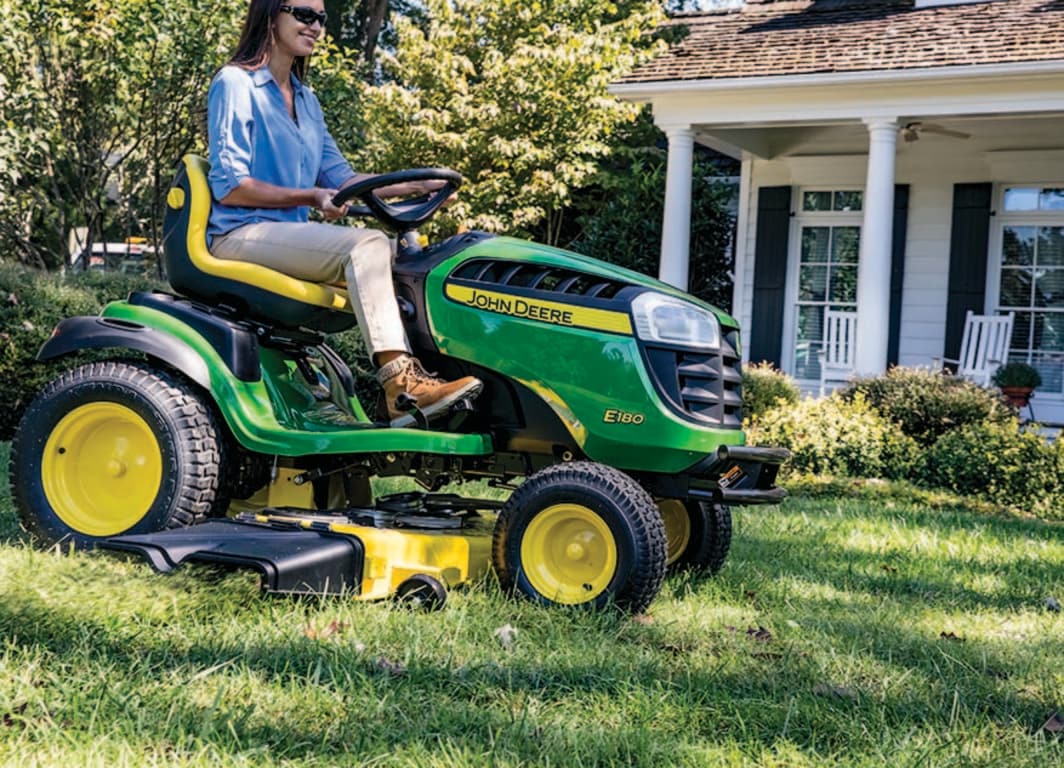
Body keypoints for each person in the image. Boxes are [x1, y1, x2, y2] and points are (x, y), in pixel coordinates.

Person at [205, 0, 482, 425]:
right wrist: (312, 197)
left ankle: (440, 383)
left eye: (322, 18)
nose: (316, 26)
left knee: (408, 260)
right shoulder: (235, 84)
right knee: (367, 244)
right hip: (240, 236)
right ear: (270, 13)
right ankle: (400, 386)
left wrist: (415, 185)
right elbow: (231, 186)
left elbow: (344, 178)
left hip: (285, 240)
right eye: (304, 14)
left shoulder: (307, 101)